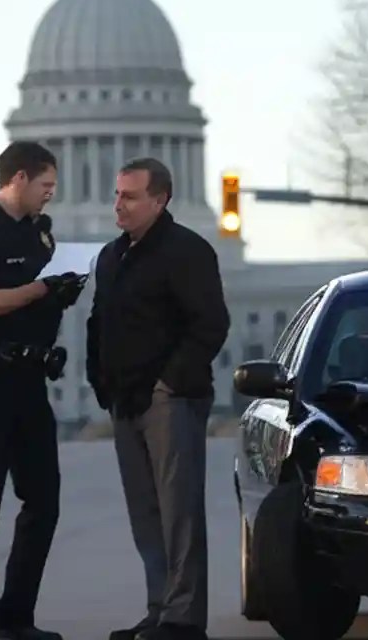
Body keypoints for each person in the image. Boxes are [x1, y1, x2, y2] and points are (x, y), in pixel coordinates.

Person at [0, 141, 88, 640]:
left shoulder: (41, 236)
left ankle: (17, 616)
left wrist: (63, 292)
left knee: (43, 500)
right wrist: (38, 291)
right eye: (46, 185)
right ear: (19, 178)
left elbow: (41, 296)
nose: (52, 194)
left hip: (30, 382)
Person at [85, 157, 230, 640]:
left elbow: (210, 323)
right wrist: (101, 381)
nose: (117, 205)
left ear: (160, 199)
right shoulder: (110, 257)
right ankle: (159, 611)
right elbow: (98, 322)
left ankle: (183, 619)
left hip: (172, 400)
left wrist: (169, 382)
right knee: (145, 513)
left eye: (129, 196)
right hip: (124, 400)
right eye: (116, 195)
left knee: (179, 511)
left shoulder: (187, 251)